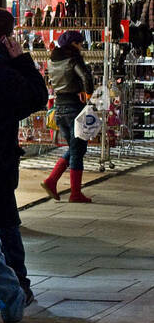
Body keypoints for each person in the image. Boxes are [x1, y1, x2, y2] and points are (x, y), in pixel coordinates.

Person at [0, 9, 48, 307]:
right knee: (3, 228)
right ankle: (16, 291)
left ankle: (3, 293)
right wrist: (23, 60)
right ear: (5, 38)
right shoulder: (3, 72)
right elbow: (37, 98)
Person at [42, 30, 96, 203]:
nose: (81, 47)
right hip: (74, 107)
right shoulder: (73, 58)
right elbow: (86, 77)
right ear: (73, 44)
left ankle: (52, 181)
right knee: (77, 150)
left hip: (59, 108)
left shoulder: (52, 60)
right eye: (79, 43)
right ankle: (75, 193)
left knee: (76, 147)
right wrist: (89, 95)